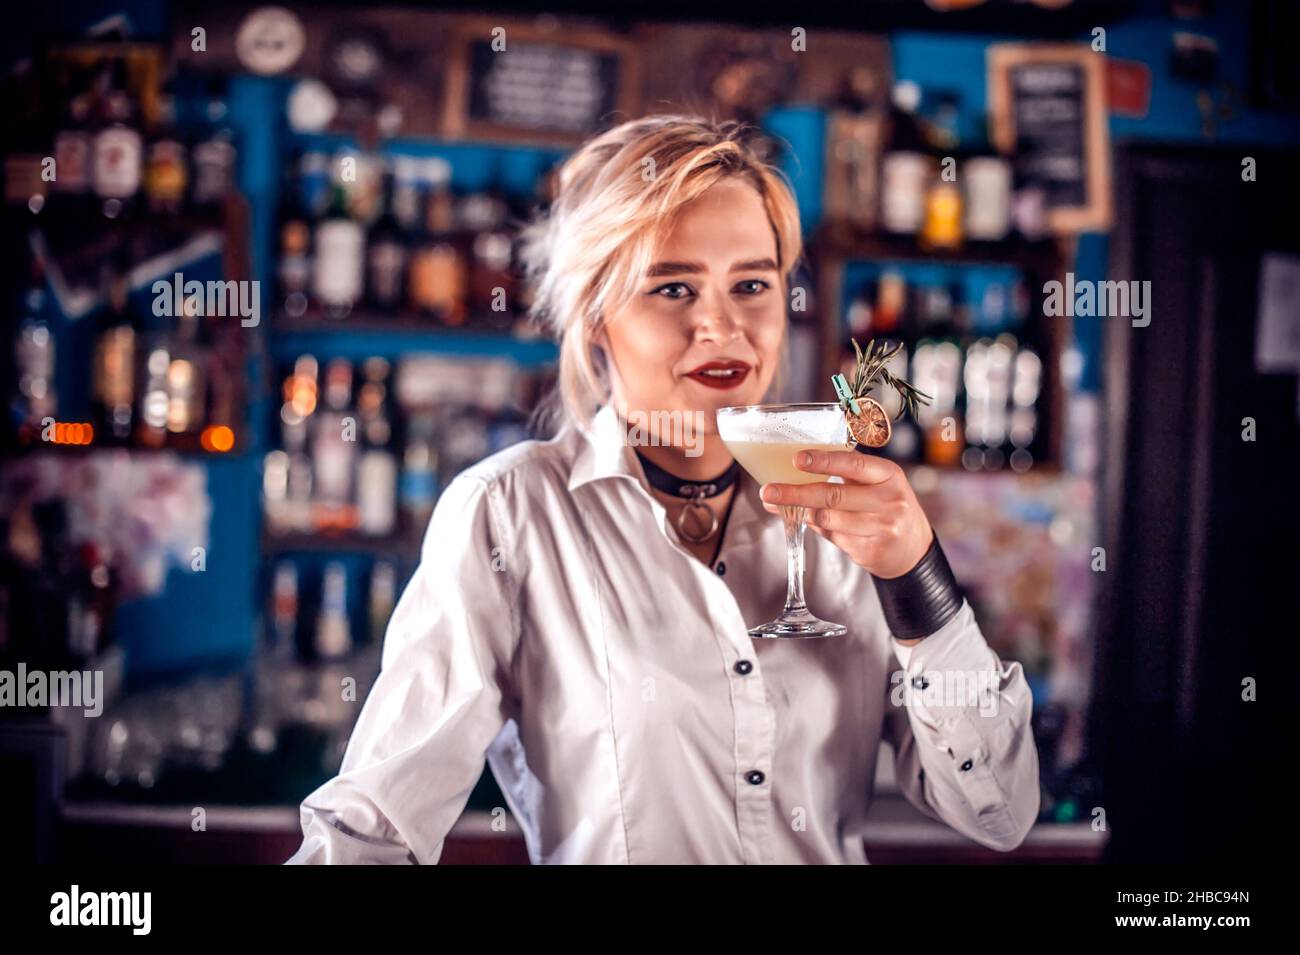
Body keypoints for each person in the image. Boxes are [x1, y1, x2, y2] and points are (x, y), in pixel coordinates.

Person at [285, 115, 1039, 864]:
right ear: (595, 319)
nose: (721, 326)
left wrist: (919, 581)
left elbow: (1000, 812)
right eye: (673, 287)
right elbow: (374, 825)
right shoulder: (510, 515)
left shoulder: (854, 520)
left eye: (752, 283)